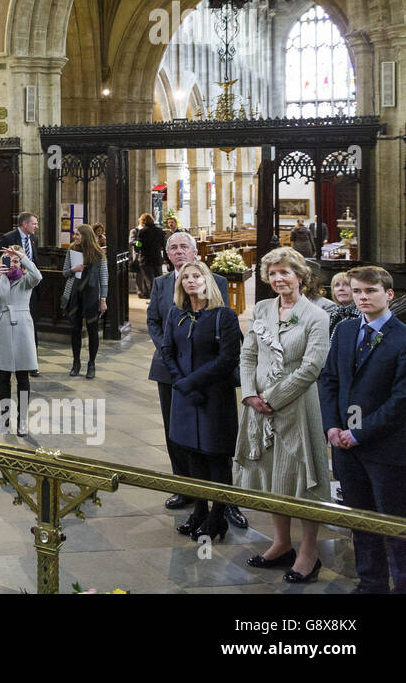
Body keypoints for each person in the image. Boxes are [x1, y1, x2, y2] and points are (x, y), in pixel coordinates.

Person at [236, 246, 332, 584]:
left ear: (301, 277)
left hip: (297, 408)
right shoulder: (262, 308)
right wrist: (249, 393)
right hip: (257, 409)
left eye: (285, 273)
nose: (278, 279)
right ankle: (281, 543)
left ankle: (309, 551)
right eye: (272, 274)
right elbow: (248, 354)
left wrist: (273, 398)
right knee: (271, 475)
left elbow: (311, 368)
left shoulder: (316, 316)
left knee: (304, 479)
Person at [319, 265, 406, 594]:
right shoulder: (344, 331)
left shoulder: (402, 338)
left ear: (389, 294)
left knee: (393, 524)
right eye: (357, 291)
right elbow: (329, 380)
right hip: (345, 447)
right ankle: (371, 584)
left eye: (370, 291)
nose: (363, 297)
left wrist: (358, 433)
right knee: (360, 520)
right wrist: (331, 426)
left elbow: (401, 400)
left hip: (386, 449)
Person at [161, 261, 242, 542]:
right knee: (192, 454)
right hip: (185, 396)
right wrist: (181, 382)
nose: (191, 281)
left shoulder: (224, 316)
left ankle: (218, 517)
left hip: (214, 396)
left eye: (197, 276)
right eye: (186, 278)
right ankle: (199, 511)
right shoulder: (176, 314)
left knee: (216, 457)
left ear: (208, 281)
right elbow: (167, 351)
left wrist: (191, 383)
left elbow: (228, 359)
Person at [0, 244, 41, 435]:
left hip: (23, 327)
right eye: (8, 260)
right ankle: (4, 419)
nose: (12, 264)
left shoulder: (26, 280)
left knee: (22, 376)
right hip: (3, 327)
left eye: (15, 260)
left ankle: (22, 420)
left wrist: (22, 257)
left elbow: (38, 276)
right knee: (3, 376)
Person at [0, 212, 42, 372]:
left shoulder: (34, 240)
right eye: (34, 223)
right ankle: (11, 362)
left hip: (28, 286)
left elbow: (34, 265)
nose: (36, 226)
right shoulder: (8, 239)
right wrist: (4, 277)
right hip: (11, 288)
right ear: (25, 224)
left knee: (30, 326)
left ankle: (31, 363)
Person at [61, 224, 106, 379]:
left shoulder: (98, 253)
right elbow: (65, 272)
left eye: (78, 235)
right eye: (75, 234)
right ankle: (76, 363)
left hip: (92, 295)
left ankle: (91, 364)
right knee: (75, 329)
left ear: (86, 236)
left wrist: (103, 300)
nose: (75, 237)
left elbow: (103, 278)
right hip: (75, 295)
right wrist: (74, 270)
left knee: (93, 330)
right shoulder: (72, 249)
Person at [137, 212, 166, 288]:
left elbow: (138, 245)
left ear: (143, 222)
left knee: (150, 281)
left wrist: (137, 247)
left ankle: (153, 298)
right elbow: (164, 245)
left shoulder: (142, 231)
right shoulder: (160, 231)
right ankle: (160, 298)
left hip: (146, 259)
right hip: (157, 258)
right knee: (159, 280)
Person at [327, 271, 359, 336]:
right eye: (337, 285)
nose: (341, 289)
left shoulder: (363, 315)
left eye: (347, 284)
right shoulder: (333, 314)